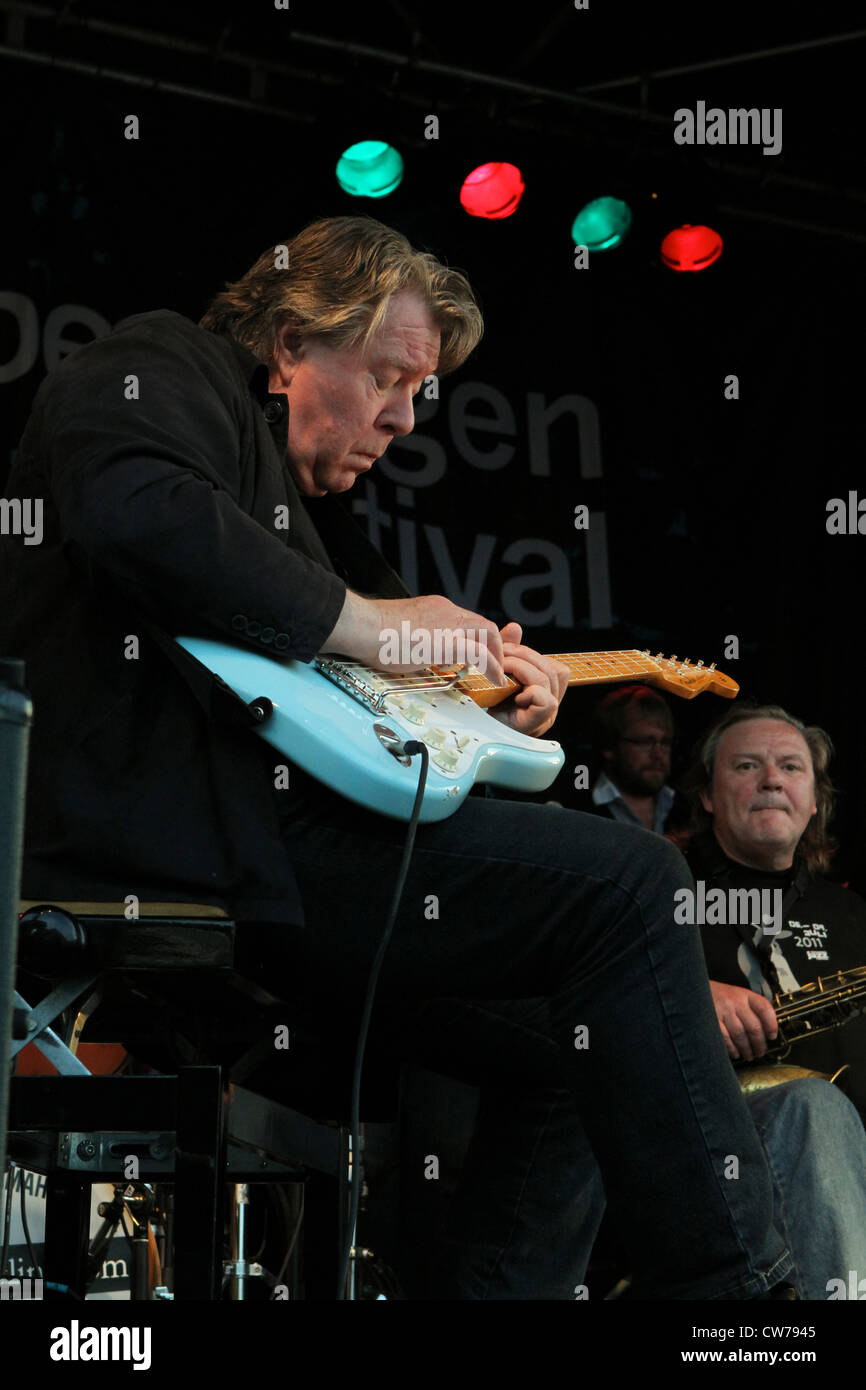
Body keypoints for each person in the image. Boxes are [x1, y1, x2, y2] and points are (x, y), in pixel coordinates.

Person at [0, 215, 796, 1299]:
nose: (404, 416)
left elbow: (373, 696)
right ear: (289, 344)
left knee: (594, 1021)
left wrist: (487, 724)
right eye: (387, 375)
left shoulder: (317, 517)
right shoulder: (155, 361)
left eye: (418, 391)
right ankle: (745, 1308)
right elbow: (140, 512)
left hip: (288, 857)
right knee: (635, 881)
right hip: (187, 844)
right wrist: (385, 630)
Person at [673, 704, 866, 1299]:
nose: (772, 780)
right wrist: (692, 997)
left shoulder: (851, 912)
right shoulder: (657, 886)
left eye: (790, 767)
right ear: (707, 796)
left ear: (814, 802)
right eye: (748, 766)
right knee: (812, 1105)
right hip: (711, 1162)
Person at [575, 684, 685, 833]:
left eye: (665, 742)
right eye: (645, 741)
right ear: (609, 746)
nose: (658, 754)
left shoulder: (685, 807)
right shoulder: (578, 808)